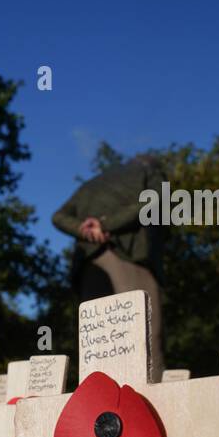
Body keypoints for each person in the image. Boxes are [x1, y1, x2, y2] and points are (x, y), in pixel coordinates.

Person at [51, 156, 168, 377]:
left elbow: (58, 216)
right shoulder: (150, 173)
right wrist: (106, 226)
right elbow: (153, 202)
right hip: (128, 256)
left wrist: (85, 230)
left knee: (96, 344)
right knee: (144, 336)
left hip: (90, 261)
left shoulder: (91, 184)